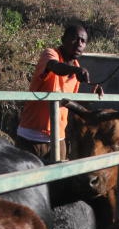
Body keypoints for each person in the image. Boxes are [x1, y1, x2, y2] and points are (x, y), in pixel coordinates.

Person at [16, 24, 103, 161]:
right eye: (75, 38)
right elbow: (54, 67)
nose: (79, 44)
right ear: (63, 39)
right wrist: (75, 71)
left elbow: (68, 103)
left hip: (58, 139)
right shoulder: (50, 54)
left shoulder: (76, 68)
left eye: (83, 41)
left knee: (58, 182)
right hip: (31, 137)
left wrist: (91, 96)